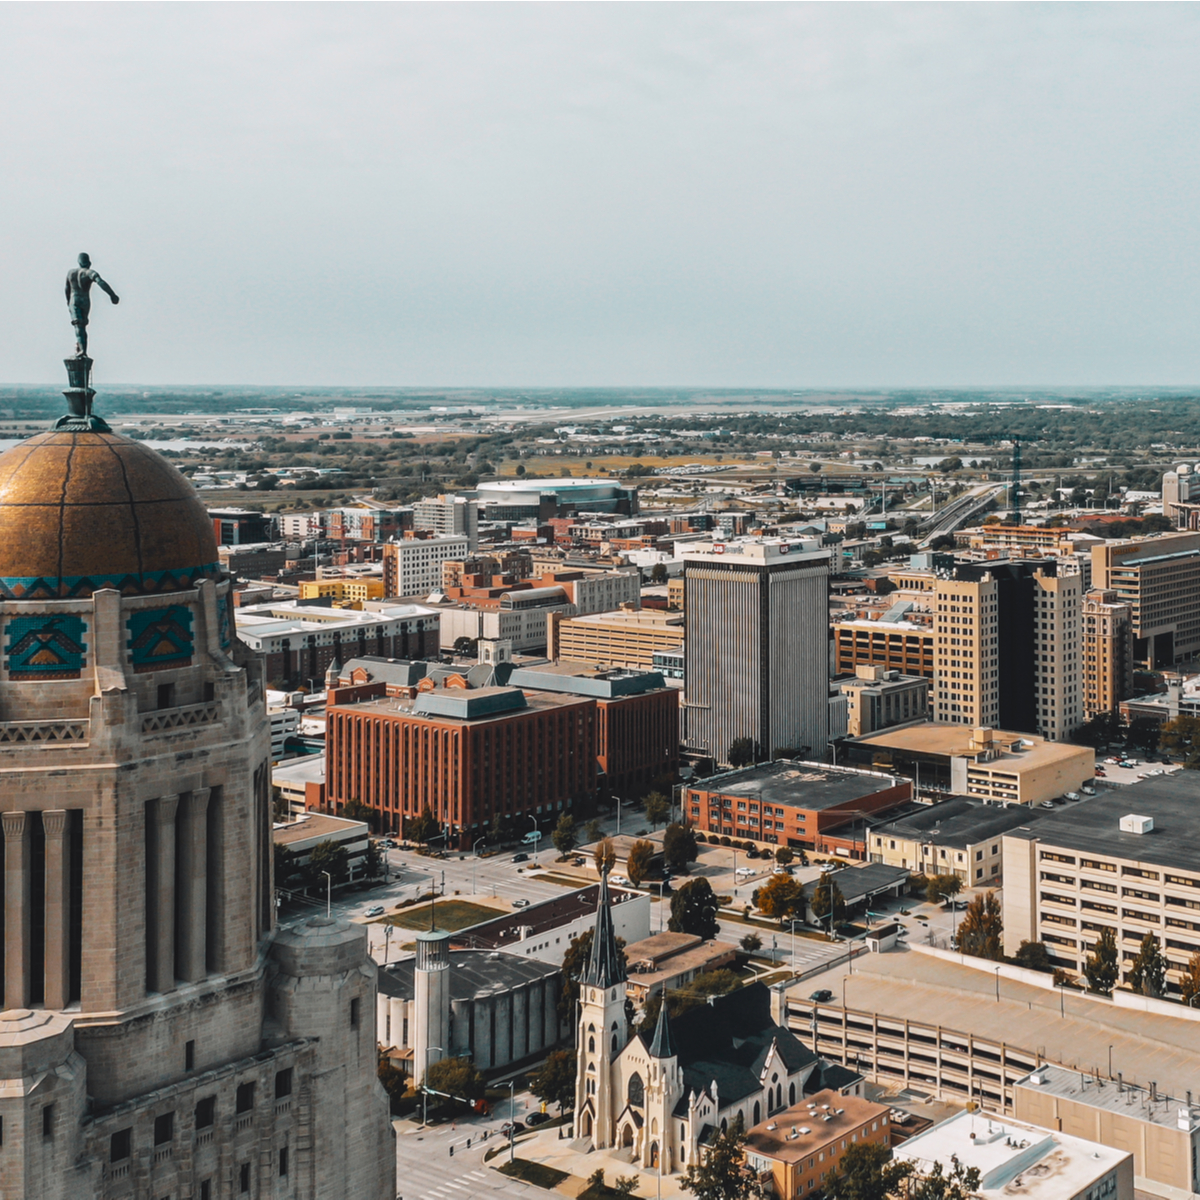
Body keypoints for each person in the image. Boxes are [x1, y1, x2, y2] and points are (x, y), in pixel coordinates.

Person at [65, 253, 119, 356]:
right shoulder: (89, 273)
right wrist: (112, 295)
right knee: (82, 327)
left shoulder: (71, 273)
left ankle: (82, 350)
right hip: (84, 301)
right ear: (89, 262)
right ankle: (83, 350)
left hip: (74, 300)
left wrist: (69, 304)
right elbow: (101, 282)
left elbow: (67, 290)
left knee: (78, 327)